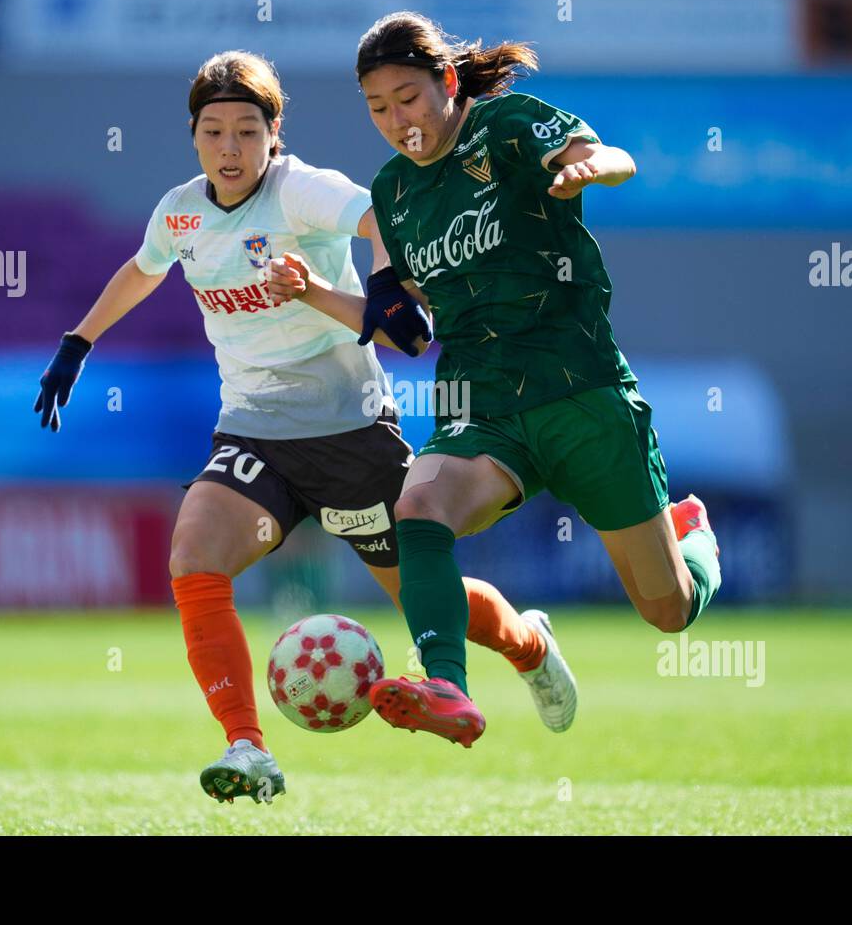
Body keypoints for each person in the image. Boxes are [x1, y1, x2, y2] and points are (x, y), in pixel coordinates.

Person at [33, 50, 577, 802]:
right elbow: (144, 267)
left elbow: (384, 213)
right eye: (214, 131)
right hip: (253, 437)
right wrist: (78, 341)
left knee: (419, 593)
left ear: (274, 133)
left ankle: (528, 644)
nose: (230, 148)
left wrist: (386, 279)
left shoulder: (301, 190)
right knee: (194, 558)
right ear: (194, 136)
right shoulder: (181, 210)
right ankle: (247, 747)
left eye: (247, 132)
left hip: (350, 435)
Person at [271, 13, 722, 749]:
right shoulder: (392, 190)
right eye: (378, 107)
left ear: (447, 82)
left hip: (580, 392)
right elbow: (405, 328)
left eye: (409, 97)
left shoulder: (507, 125)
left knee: (667, 611)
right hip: (479, 403)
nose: (397, 120)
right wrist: (313, 292)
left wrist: (590, 167)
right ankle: (446, 682)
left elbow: (612, 156)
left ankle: (692, 535)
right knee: (417, 508)